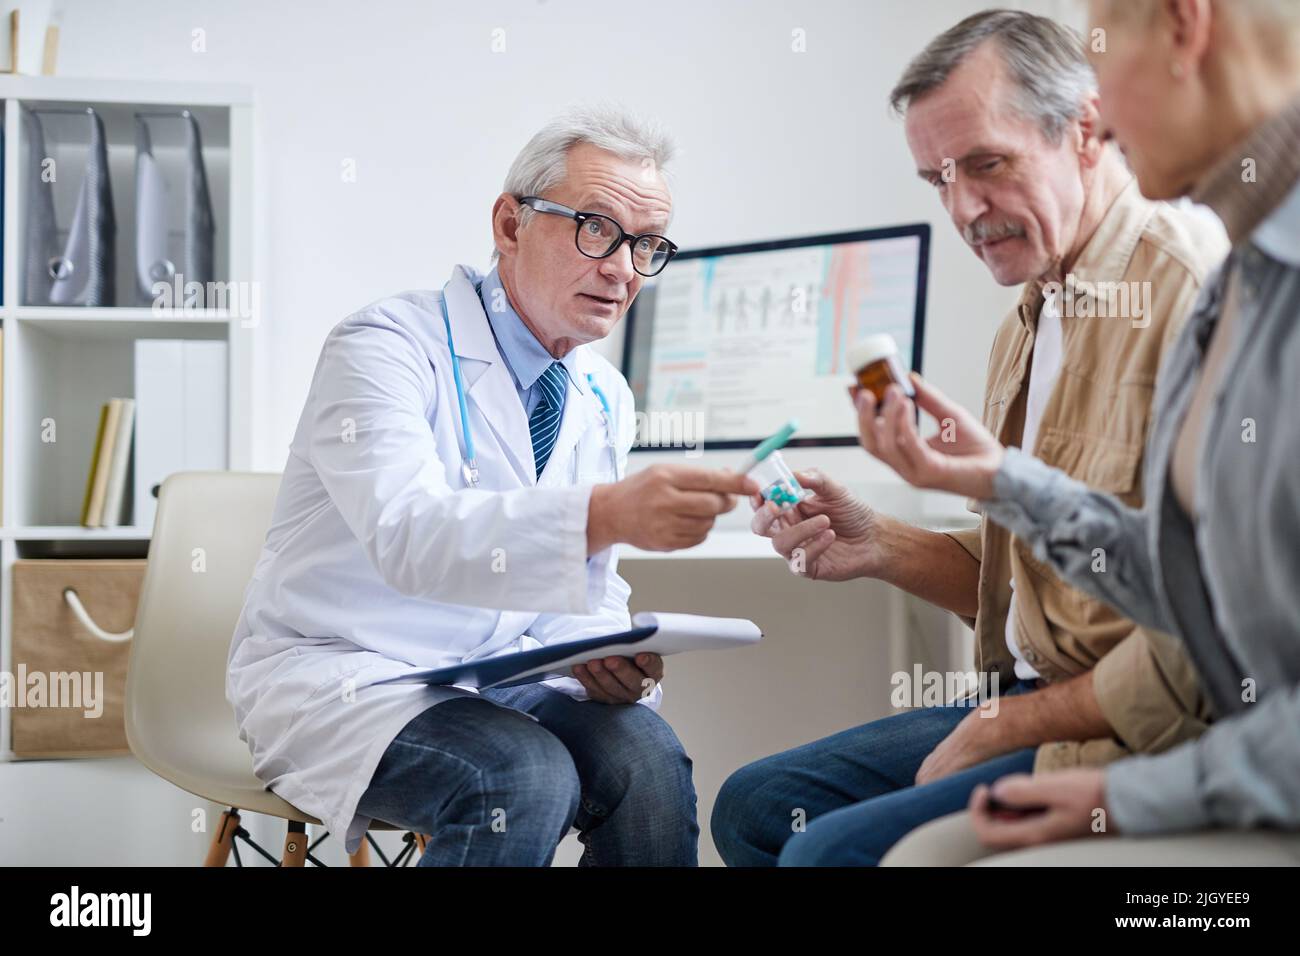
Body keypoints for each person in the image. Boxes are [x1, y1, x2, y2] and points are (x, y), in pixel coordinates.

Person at [711, 9, 1226, 867]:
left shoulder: (1186, 292)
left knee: (818, 855)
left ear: (1088, 131)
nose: (964, 209)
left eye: (987, 164)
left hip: (1138, 727)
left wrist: (1006, 721)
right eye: (937, 180)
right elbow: (1046, 586)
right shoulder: (1029, 318)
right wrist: (879, 544)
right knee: (757, 806)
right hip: (1032, 692)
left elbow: (1207, 630)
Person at [227, 105, 757, 866]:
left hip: (499, 675)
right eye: (597, 229)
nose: (623, 270)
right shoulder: (383, 348)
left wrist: (598, 655)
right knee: (520, 774)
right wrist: (607, 514)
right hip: (347, 674)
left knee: (646, 759)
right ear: (510, 224)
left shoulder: (602, 392)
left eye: (646, 245)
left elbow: (586, 588)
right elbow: (410, 534)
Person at [871, 0, 1300, 865]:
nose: (1093, 104)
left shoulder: (1196, 281)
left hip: (1210, 763)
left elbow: (1192, 656)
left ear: (1186, 26)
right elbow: (1191, 585)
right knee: (779, 807)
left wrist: (1118, 795)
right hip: (1232, 762)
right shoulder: (1238, 290)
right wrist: (994, 483)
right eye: (938, 179)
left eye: (1104, 58)